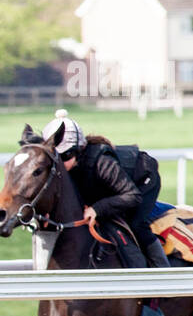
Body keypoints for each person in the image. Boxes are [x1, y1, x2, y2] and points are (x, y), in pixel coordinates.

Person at [41, 109, 169, 269]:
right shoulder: (69, 166)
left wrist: (97, 209)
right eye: (56, 159)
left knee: (136, 224)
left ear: (78, 151)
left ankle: (162, 270)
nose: (60, 163)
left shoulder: (103, 163)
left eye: (65, 157)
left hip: (143, 180)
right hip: (111, 187)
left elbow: (132, 196)